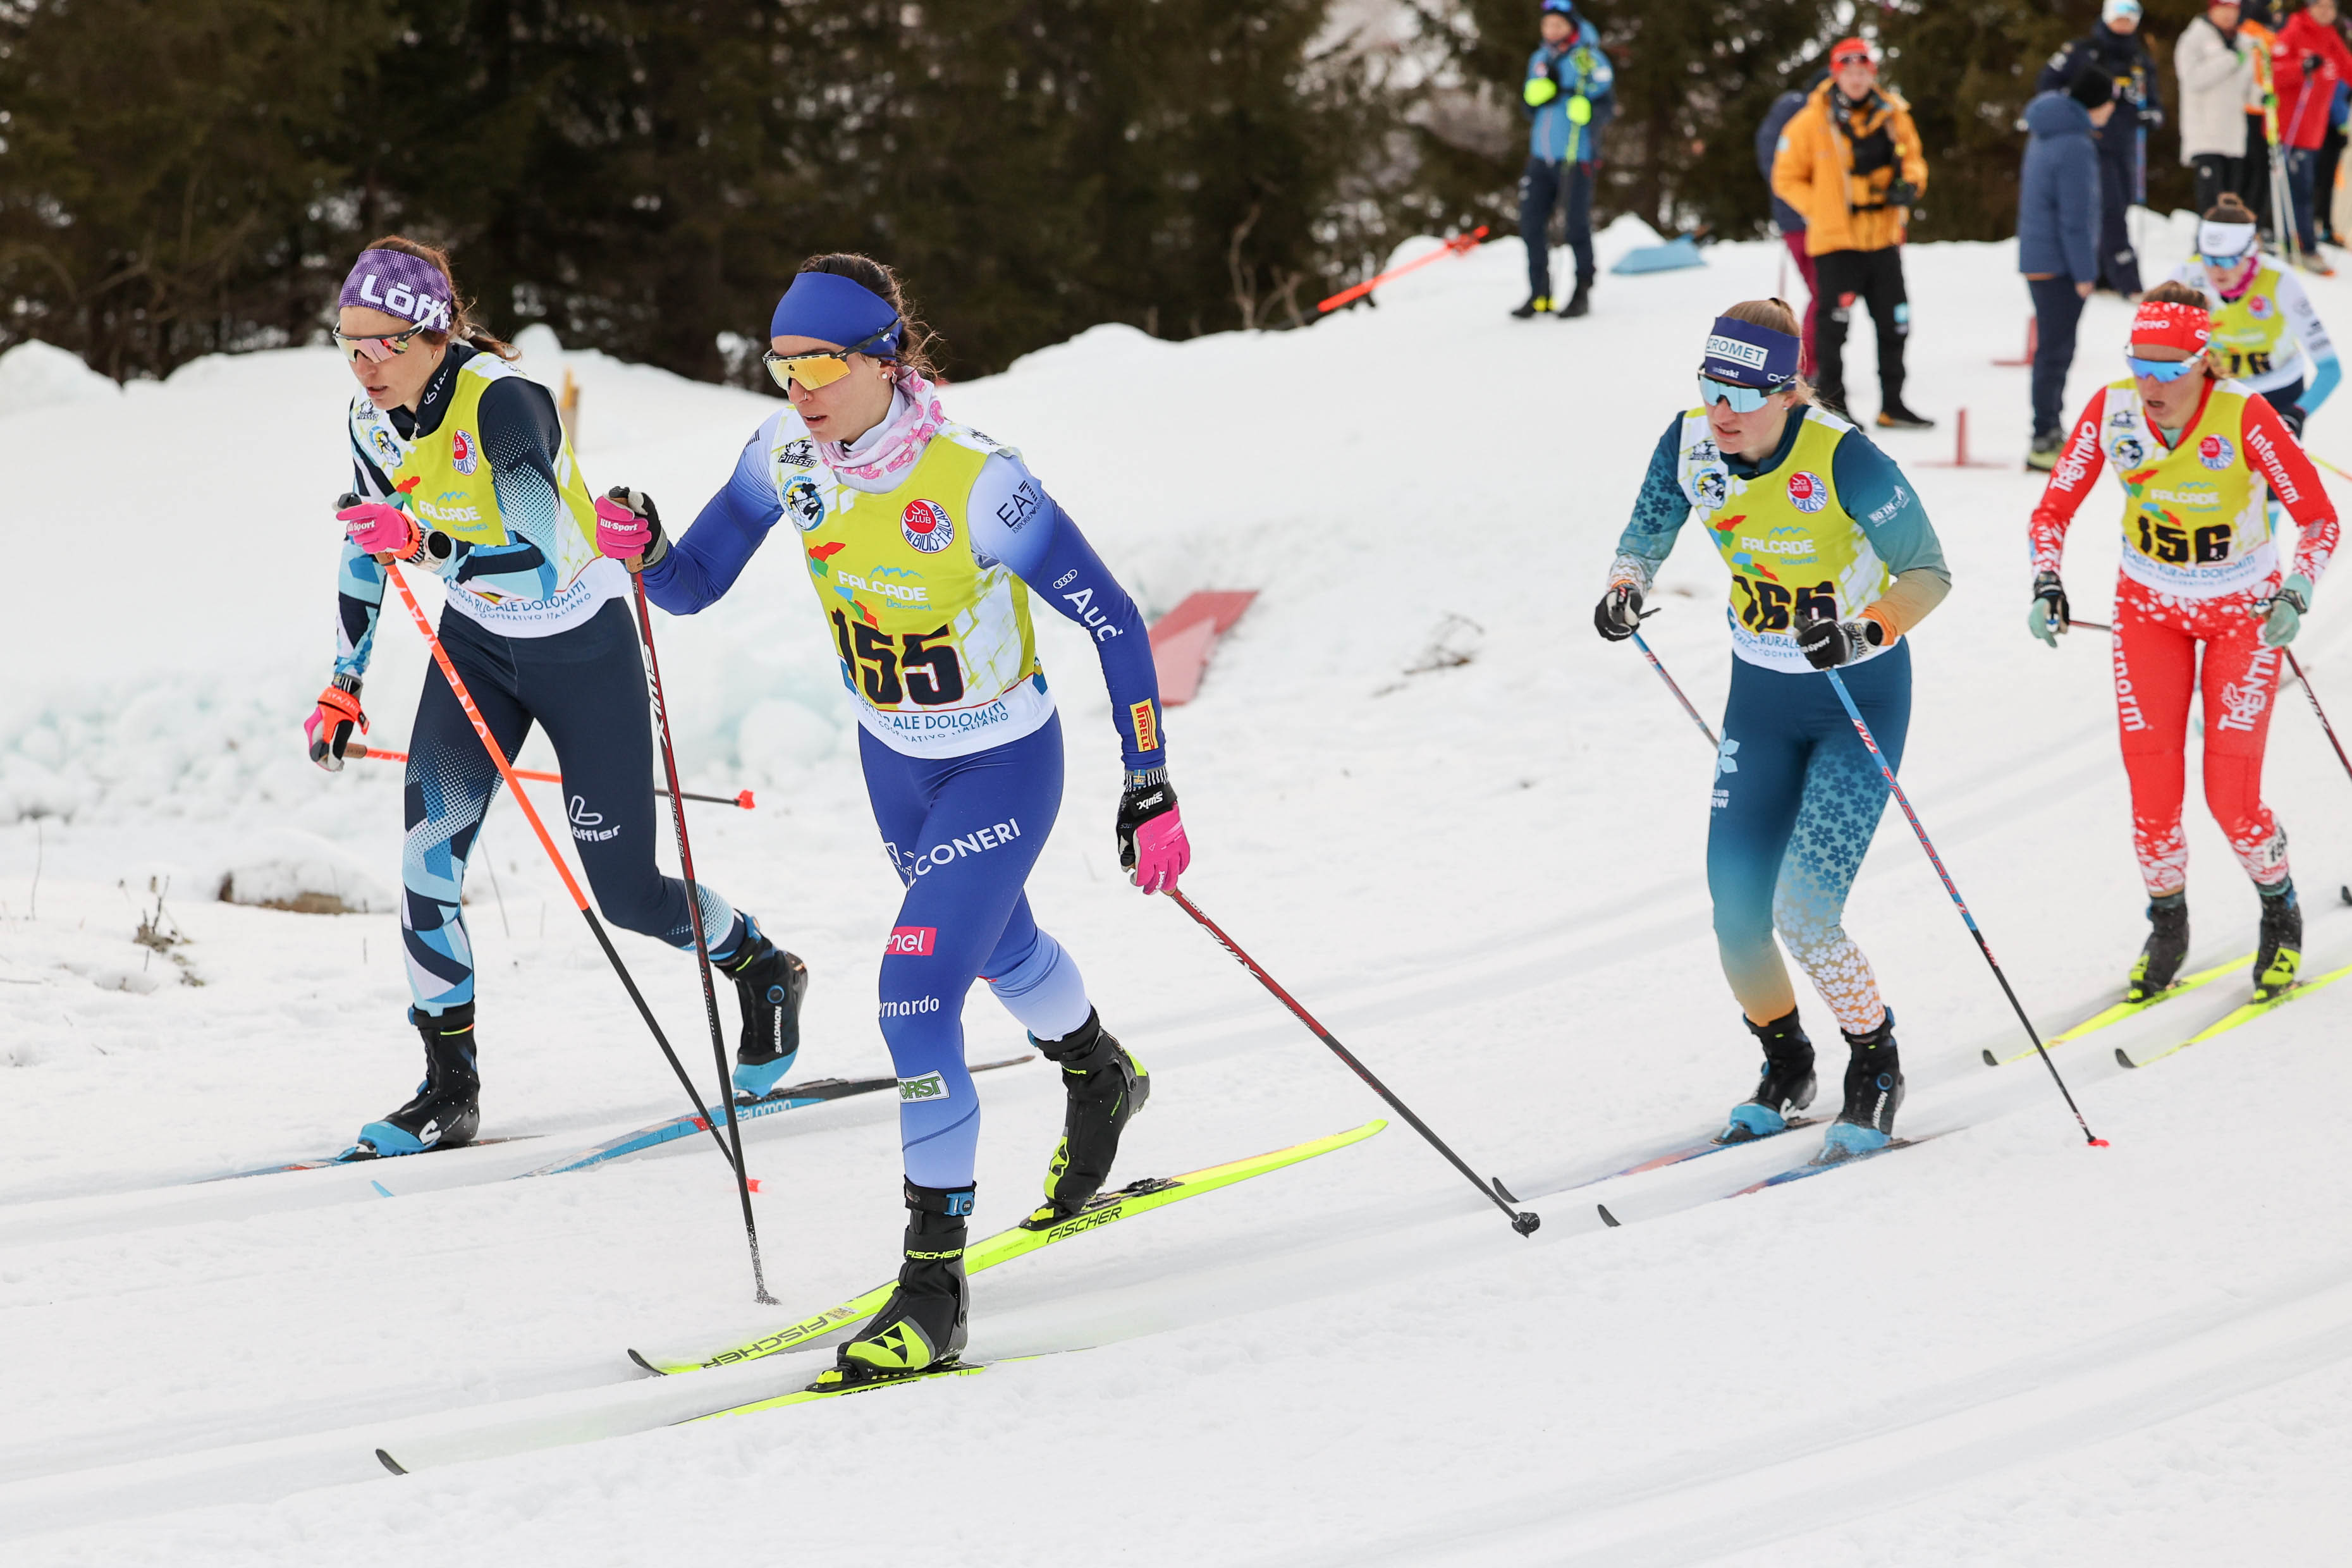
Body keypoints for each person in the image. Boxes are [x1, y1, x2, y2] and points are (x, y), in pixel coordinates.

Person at [609, 255, 1185, 1385]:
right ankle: (1096, 1070)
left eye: (823, 363)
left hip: (1004, 766)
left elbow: (1113, 621)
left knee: (915, 996)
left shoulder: (978, 484)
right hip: (896, 768)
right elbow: (688, 588)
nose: (800, 389)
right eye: (783, 366)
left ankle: (934, 1286)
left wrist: (1149, 780)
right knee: (997, 949)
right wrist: (646, 544)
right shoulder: (782, 460)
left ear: (887, 359)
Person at [304, 238, 810, 1156]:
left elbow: (536, 564)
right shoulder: (369, 420)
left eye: (383, 343)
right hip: (479, 650)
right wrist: (344, 682)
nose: (364, 363)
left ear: (434, 333)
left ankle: (761, 966)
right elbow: (360, 542)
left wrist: (420, 543)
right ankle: (448, 1086)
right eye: (349, 343)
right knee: (427, 859)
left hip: (580, 643)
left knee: (627, 894)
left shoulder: (502, 405)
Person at [1593, 300, 1951, 1165]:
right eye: (1712, 387)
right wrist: (1624, 585)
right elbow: (1648, 530)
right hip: (1760, 696)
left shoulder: (1843, 457)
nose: (1723, 410)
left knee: (1807, 912)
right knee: (1737, 913)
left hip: (1855, 696)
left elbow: (1928, 572)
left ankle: (1876, 1063)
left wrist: (1866, 629)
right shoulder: (1687, 444)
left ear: (1788, 392)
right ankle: (1787, 1064)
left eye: (1744, 394)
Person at [2024, 284, 2338, 1005]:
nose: (2153, 382)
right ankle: (2168, 923)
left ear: (2206, 364)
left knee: (2231, 794)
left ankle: (2279, 908)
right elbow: (2053, 509)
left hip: (2245, 616)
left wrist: (2296, 592)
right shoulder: (2113, 410)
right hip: (2149, 610)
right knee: (2153, 795)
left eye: (2172, 367)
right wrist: (2046, 580)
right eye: (2142, 363)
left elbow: (2320, 519)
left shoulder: (2246, 416)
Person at [1771, 38, 1935, 431]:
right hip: (1836, 243)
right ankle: (1835, 405)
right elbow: (1785, 176)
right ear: (1836, 75)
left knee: (1895, 322)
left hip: (1883, 239)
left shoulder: (1894, 114)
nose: (1857, 80)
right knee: (1833, 329)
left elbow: (1915, 160)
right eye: (1849, 73)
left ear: (1872, 75)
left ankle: (1893, 403)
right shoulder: (1811, 121)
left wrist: (1911, 185)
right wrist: (1820, 207)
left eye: (1863, 73)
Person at [2165, 192, 2339, 433]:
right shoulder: (2186, 276)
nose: (2217, 271)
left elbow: (2331, 368)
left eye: (2228, 261)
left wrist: (2298, 413)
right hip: (2214, 393)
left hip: (2277, 394)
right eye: (2210, 259)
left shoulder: (2279, 280)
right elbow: (2158, 350)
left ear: (2250, 252)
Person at [2020, 70, 2117, 470]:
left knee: (2053, 351)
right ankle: (2044, 437)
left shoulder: (2047, 131)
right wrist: (2084, 273)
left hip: (2040, 259)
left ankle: (2048, 429)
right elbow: (2075, 218)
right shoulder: (2075, 142)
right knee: (2056, 353)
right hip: (2059, 264)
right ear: (2098, 103)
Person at [2039, 0, 2162, 297]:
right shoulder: (2082, 51)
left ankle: (2102, 272)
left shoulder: (2140, 60)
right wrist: (2075, 110)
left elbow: (2153, 103)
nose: (2124, 24)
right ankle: (2127, 279)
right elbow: (2047, 85)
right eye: (2119, 18)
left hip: (2125, 145)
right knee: (2107, 209)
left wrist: (2152, 116)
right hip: (2089, 143)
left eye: (2130, 18)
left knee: (2117, 205)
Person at [1513, 0, 1615, 319]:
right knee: (1531, 225)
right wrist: (1533, 99)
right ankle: (1539, 293)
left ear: (1571, 26)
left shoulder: (1589, 59)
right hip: (1540, 157)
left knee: (1575, 227)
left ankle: (1582, 290)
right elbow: (1529, 108)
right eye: (1547, 25)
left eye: (1558, 24)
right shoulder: (1539, 59)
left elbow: (1606, 106)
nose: (1552, 30)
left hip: (1576, 156)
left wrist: (1589, 113)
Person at [2267, 0, 2352, 269]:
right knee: (2298, 188)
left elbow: (2348, 69)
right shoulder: (2294, 30)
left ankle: (2302, 241)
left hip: (2314, 129)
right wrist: (2301, 66)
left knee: (2307, 187)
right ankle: (2301, 245)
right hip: (2288, 126)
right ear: (2310, 7)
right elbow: (2273, 74)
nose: (2327, 13)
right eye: (2322, 7)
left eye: (2332, 8)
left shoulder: (2330, 36)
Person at [1757, 68, 1829, 376]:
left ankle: (1817, 363)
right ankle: (1807, 366)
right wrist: (1807, 203)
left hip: (1819, 218)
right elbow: (1775, 163)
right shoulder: (1795, 109)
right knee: (1825, 293)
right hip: (1802, 218)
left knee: (1829, 294)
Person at [2181, 3, 2257, 214]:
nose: (2228, 14)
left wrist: (2263, 96)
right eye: (2223, 7)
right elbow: (2193, 79)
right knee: (2211, 204)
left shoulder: (2244, 43)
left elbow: (2249, 89)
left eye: (2233, 9)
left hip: (2234, 137)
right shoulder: (2194, 39)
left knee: (2231, 204)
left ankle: (2229, 246)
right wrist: (2231, 59)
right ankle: (2205, 245)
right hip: (2206, 136)